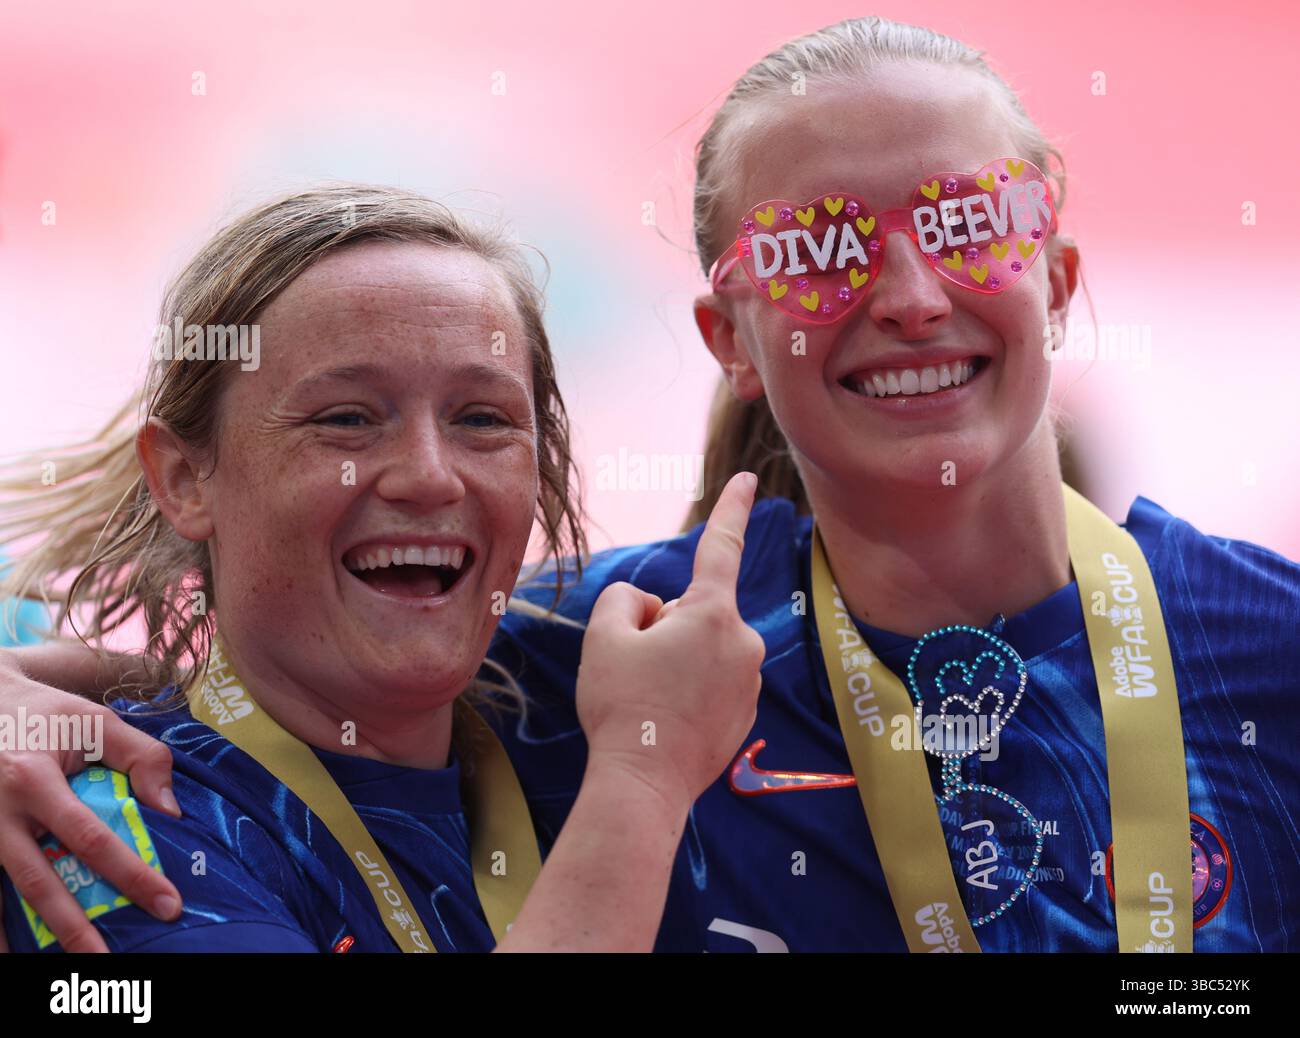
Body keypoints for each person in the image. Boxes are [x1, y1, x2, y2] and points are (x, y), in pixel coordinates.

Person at [4, 16, 1298, 953]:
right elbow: (281, 679)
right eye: (820, 249)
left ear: (1056, 278)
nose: (908, 298)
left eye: (964, 223)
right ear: (727, 338)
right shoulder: (631, 662)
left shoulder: (1270, 646)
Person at [0, 185, 764, 952]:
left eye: (481, 419)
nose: (430, 476)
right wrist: (639, 777)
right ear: (183, 478)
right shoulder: (112, 822)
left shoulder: (588, 673)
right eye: (346, 418)